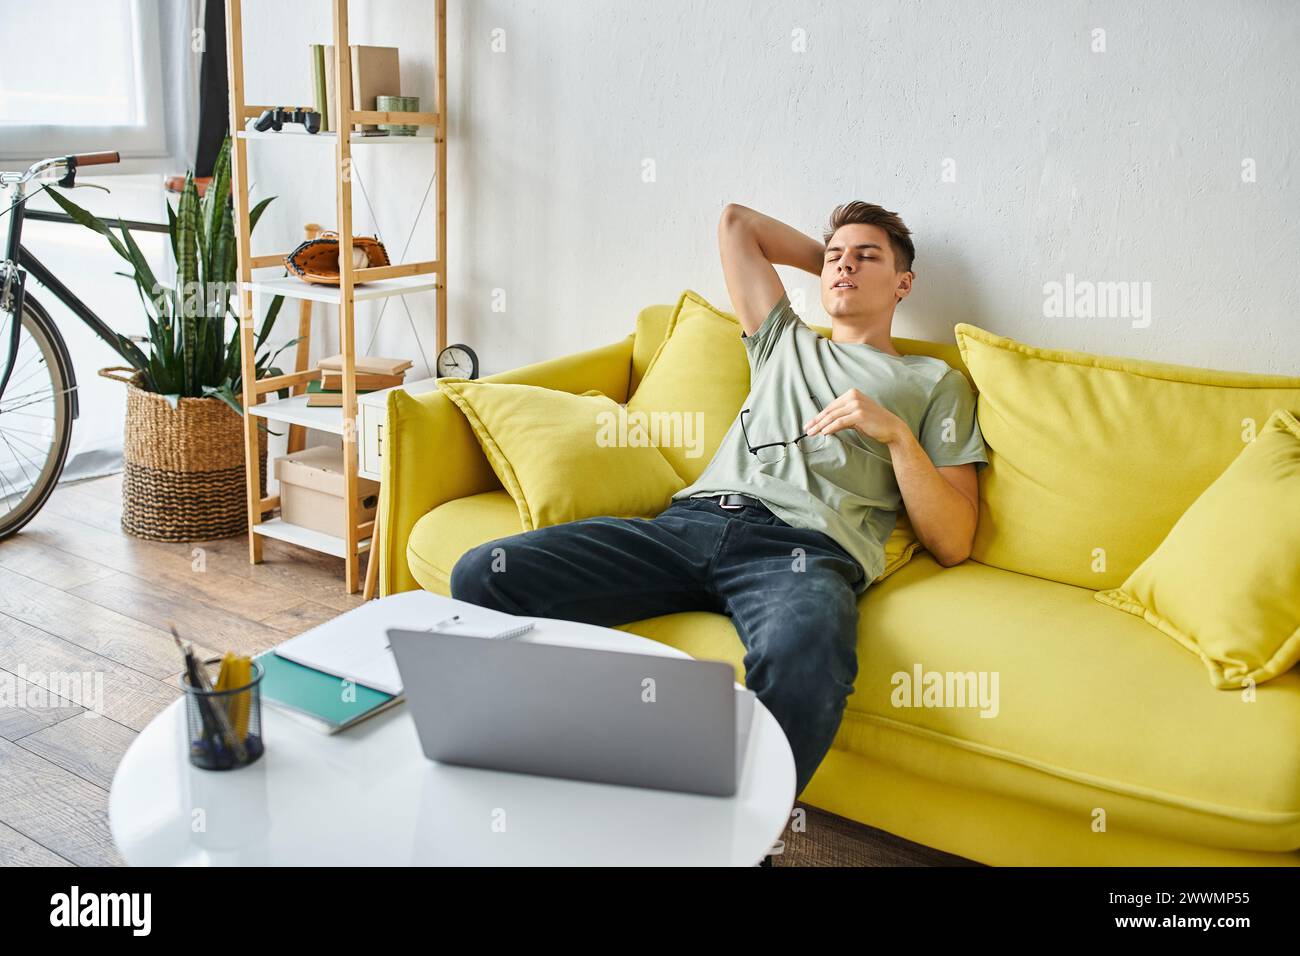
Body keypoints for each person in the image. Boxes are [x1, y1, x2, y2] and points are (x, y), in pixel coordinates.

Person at [451, 201, 988, 796]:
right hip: (687, 526)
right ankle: (534, 773)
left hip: (801, 553)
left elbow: (954, 540)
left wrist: (896, 436)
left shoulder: (935, 382)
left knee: (807, 659)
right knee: (483, 575)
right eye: (836, 257)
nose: (844, 267)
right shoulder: (782, 340)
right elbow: (737, 224)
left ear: (904, 283)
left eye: (868, 258)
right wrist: (839, 261)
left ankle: (728, 839)